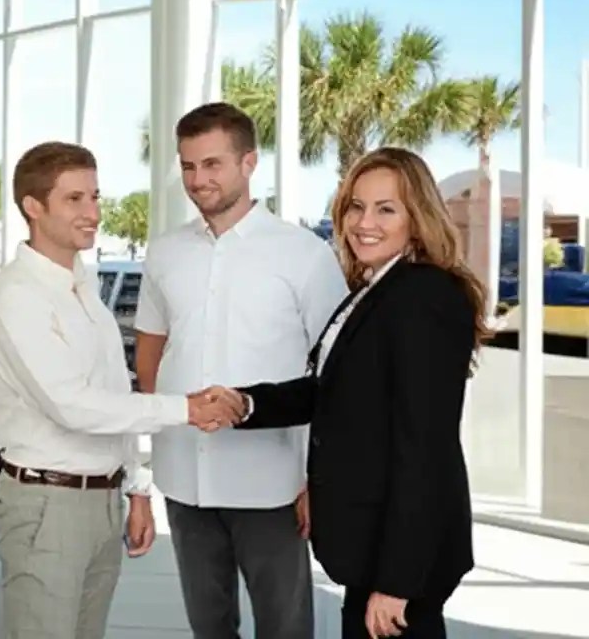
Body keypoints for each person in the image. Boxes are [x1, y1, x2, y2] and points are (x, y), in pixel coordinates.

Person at [201, 146, 487, 638]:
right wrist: (246, 403)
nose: (363, 222)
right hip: (375, 546)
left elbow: (425, 448)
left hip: (399, 561)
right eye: (356, 206)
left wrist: (397, 582)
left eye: (386, 209)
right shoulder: (379, 288)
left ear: (417, 218)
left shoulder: (423, 296)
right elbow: (334, 394)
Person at [0, 140, 246, 639]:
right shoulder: (15, 297)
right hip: (46, 503)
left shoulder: (82, 287)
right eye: (74, 199)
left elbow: (113, 399)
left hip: (100, 502)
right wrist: (185, 410)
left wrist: (135, 487)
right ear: (33, 208)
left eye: (95, 197)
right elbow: (72, 406)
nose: (93, 212)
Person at [133, 102, 349, 639]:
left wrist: (315, 479)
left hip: (272, 481)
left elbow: (336, 377)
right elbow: (151, 350)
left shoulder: (305, 254)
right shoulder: (164, 253)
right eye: (187, 166)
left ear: (249, 163)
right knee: (209, 626)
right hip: (185, 477)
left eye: (212, 164)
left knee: (285, 627)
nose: (198, 179)